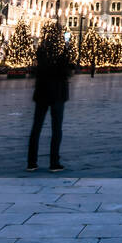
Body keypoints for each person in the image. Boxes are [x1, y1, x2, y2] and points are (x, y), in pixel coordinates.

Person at [27, 27, 71, 172]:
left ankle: (31, 162)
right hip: (57, 93)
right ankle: (54, 162)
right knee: (56, 129)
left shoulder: (41, 51)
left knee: (36, 128)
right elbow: (65, 72)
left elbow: (37, 70)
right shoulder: (62, 52)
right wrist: (67, 50)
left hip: (41, 92)